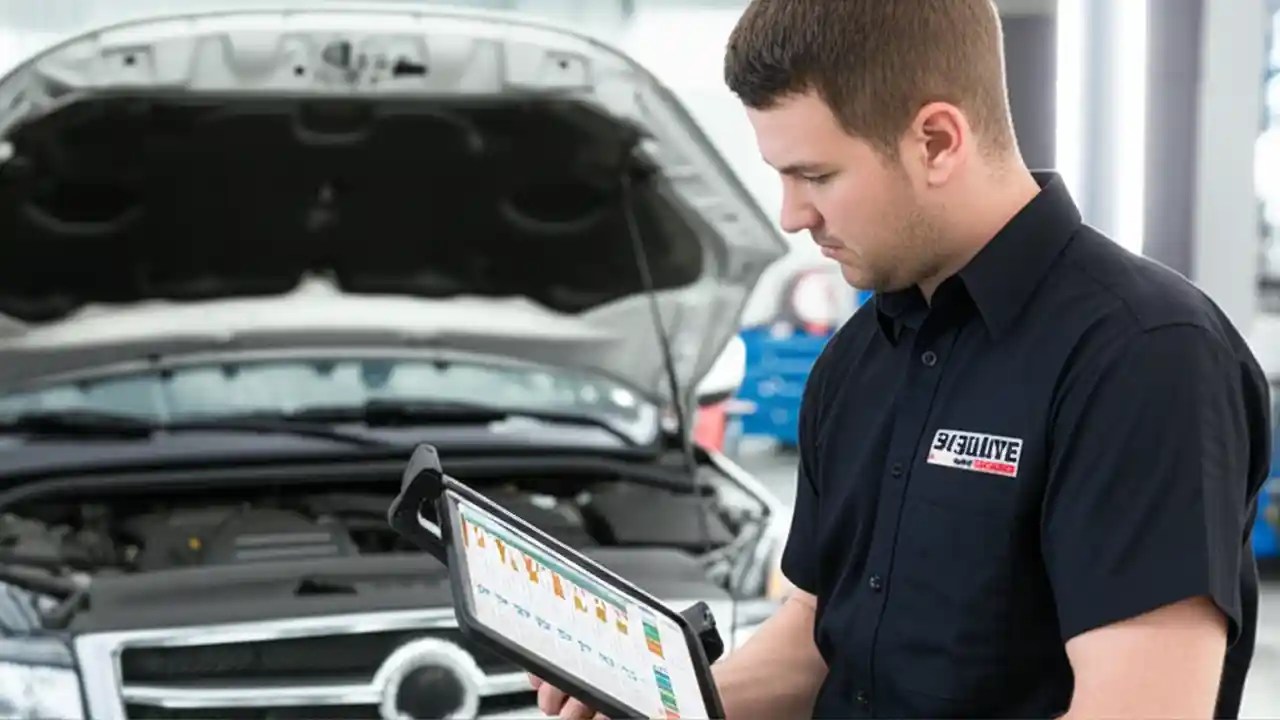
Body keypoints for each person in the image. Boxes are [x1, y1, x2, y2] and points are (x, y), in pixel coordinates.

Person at [533, 0, 1270, 717]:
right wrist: (665, 701)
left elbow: (1140, 708)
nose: (793, 215)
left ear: (938, 141)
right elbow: (816, 635)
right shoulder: (857, 359)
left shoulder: (1144, 359)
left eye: (815, 176)